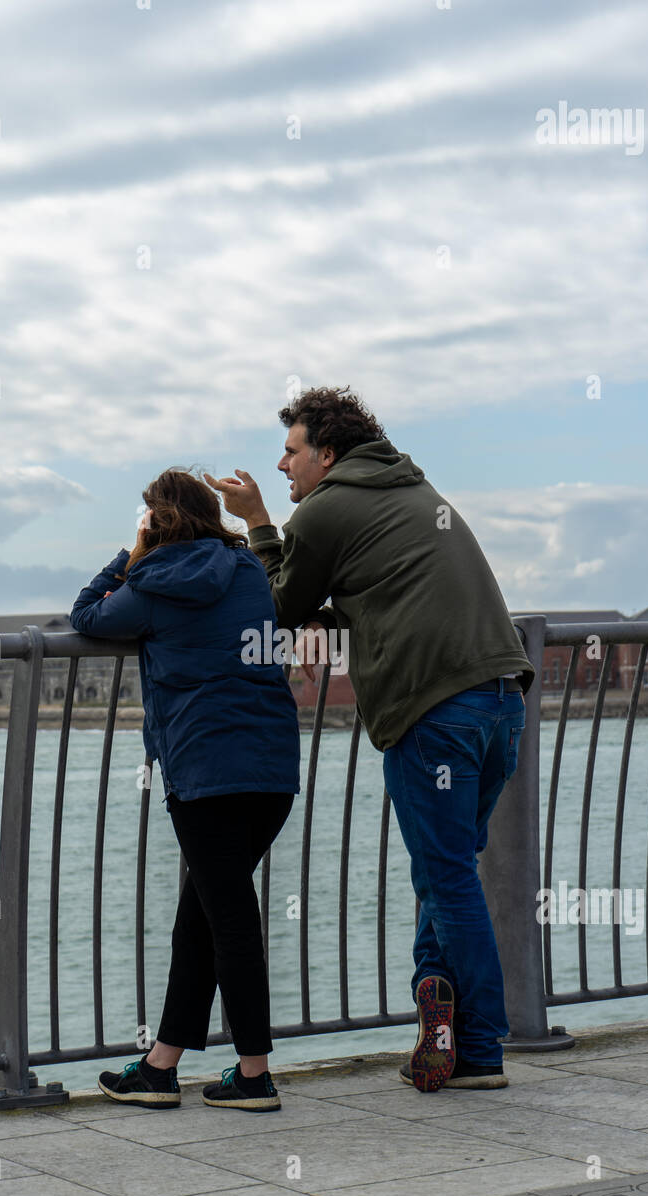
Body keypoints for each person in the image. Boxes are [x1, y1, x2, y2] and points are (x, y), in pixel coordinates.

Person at [206, 387, 534, 1093]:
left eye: (291, 451)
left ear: (326, 454)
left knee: (447, 877)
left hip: (434, 708)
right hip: (502, 700)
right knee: (447, 870)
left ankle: (481, 1049)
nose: (282, 464)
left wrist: (258, 521)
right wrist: (331, 616)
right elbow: (385, 588)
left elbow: (277, 604)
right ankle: (436, 1001)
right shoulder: (412, 488)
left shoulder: (326, 508)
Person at [70, 469, 300, 1112]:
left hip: (205, 772)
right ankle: (160, 1067)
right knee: (200, 919)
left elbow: (85, 613)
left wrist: (130, 550)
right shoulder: (247, 569)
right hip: (272, 768)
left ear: (157, 520)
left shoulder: (150, 584)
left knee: (229, 922)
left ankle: (254, 1077)